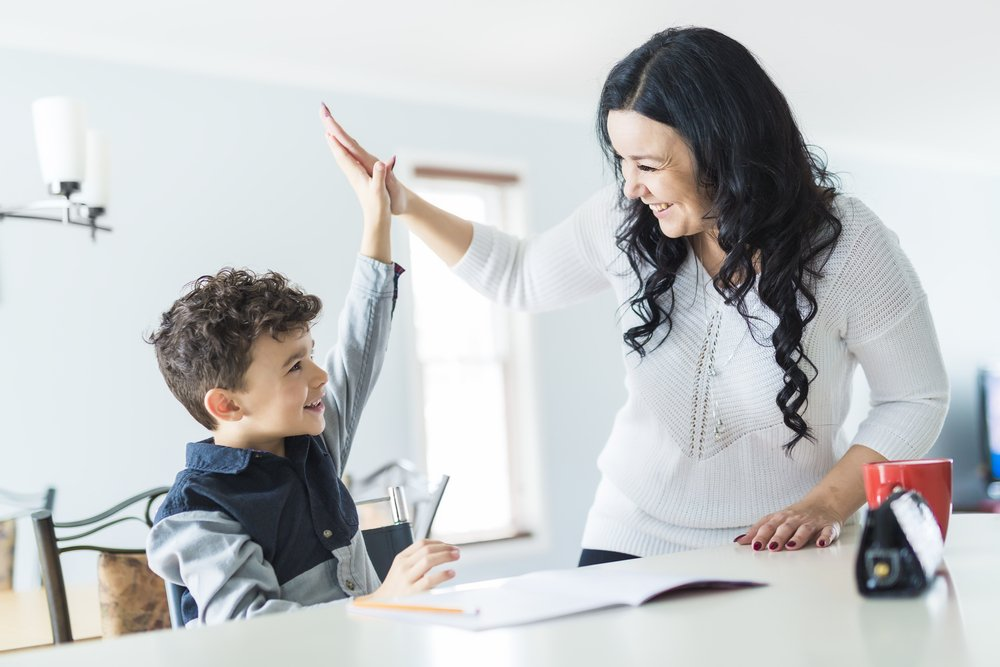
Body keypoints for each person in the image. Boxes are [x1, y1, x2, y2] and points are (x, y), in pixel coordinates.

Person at [321, 26, 949, 565]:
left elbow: (914, 397)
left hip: (782, 545)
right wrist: (403, 204)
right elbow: (518, 274)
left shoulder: (847, 245)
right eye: (621, 161)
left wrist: (825, 503)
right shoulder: (623, 225)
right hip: (630, 535)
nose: (631, 187)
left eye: (648, 165)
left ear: (723, 151)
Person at [145, 113, 459, 625]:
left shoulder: (309, 442)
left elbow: (360, 345)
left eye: (311, 354)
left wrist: (376, 216)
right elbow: (252, 634)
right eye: (295, 366)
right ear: (227, 403)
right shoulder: (197, 511)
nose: (321, 375)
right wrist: (384, 600)